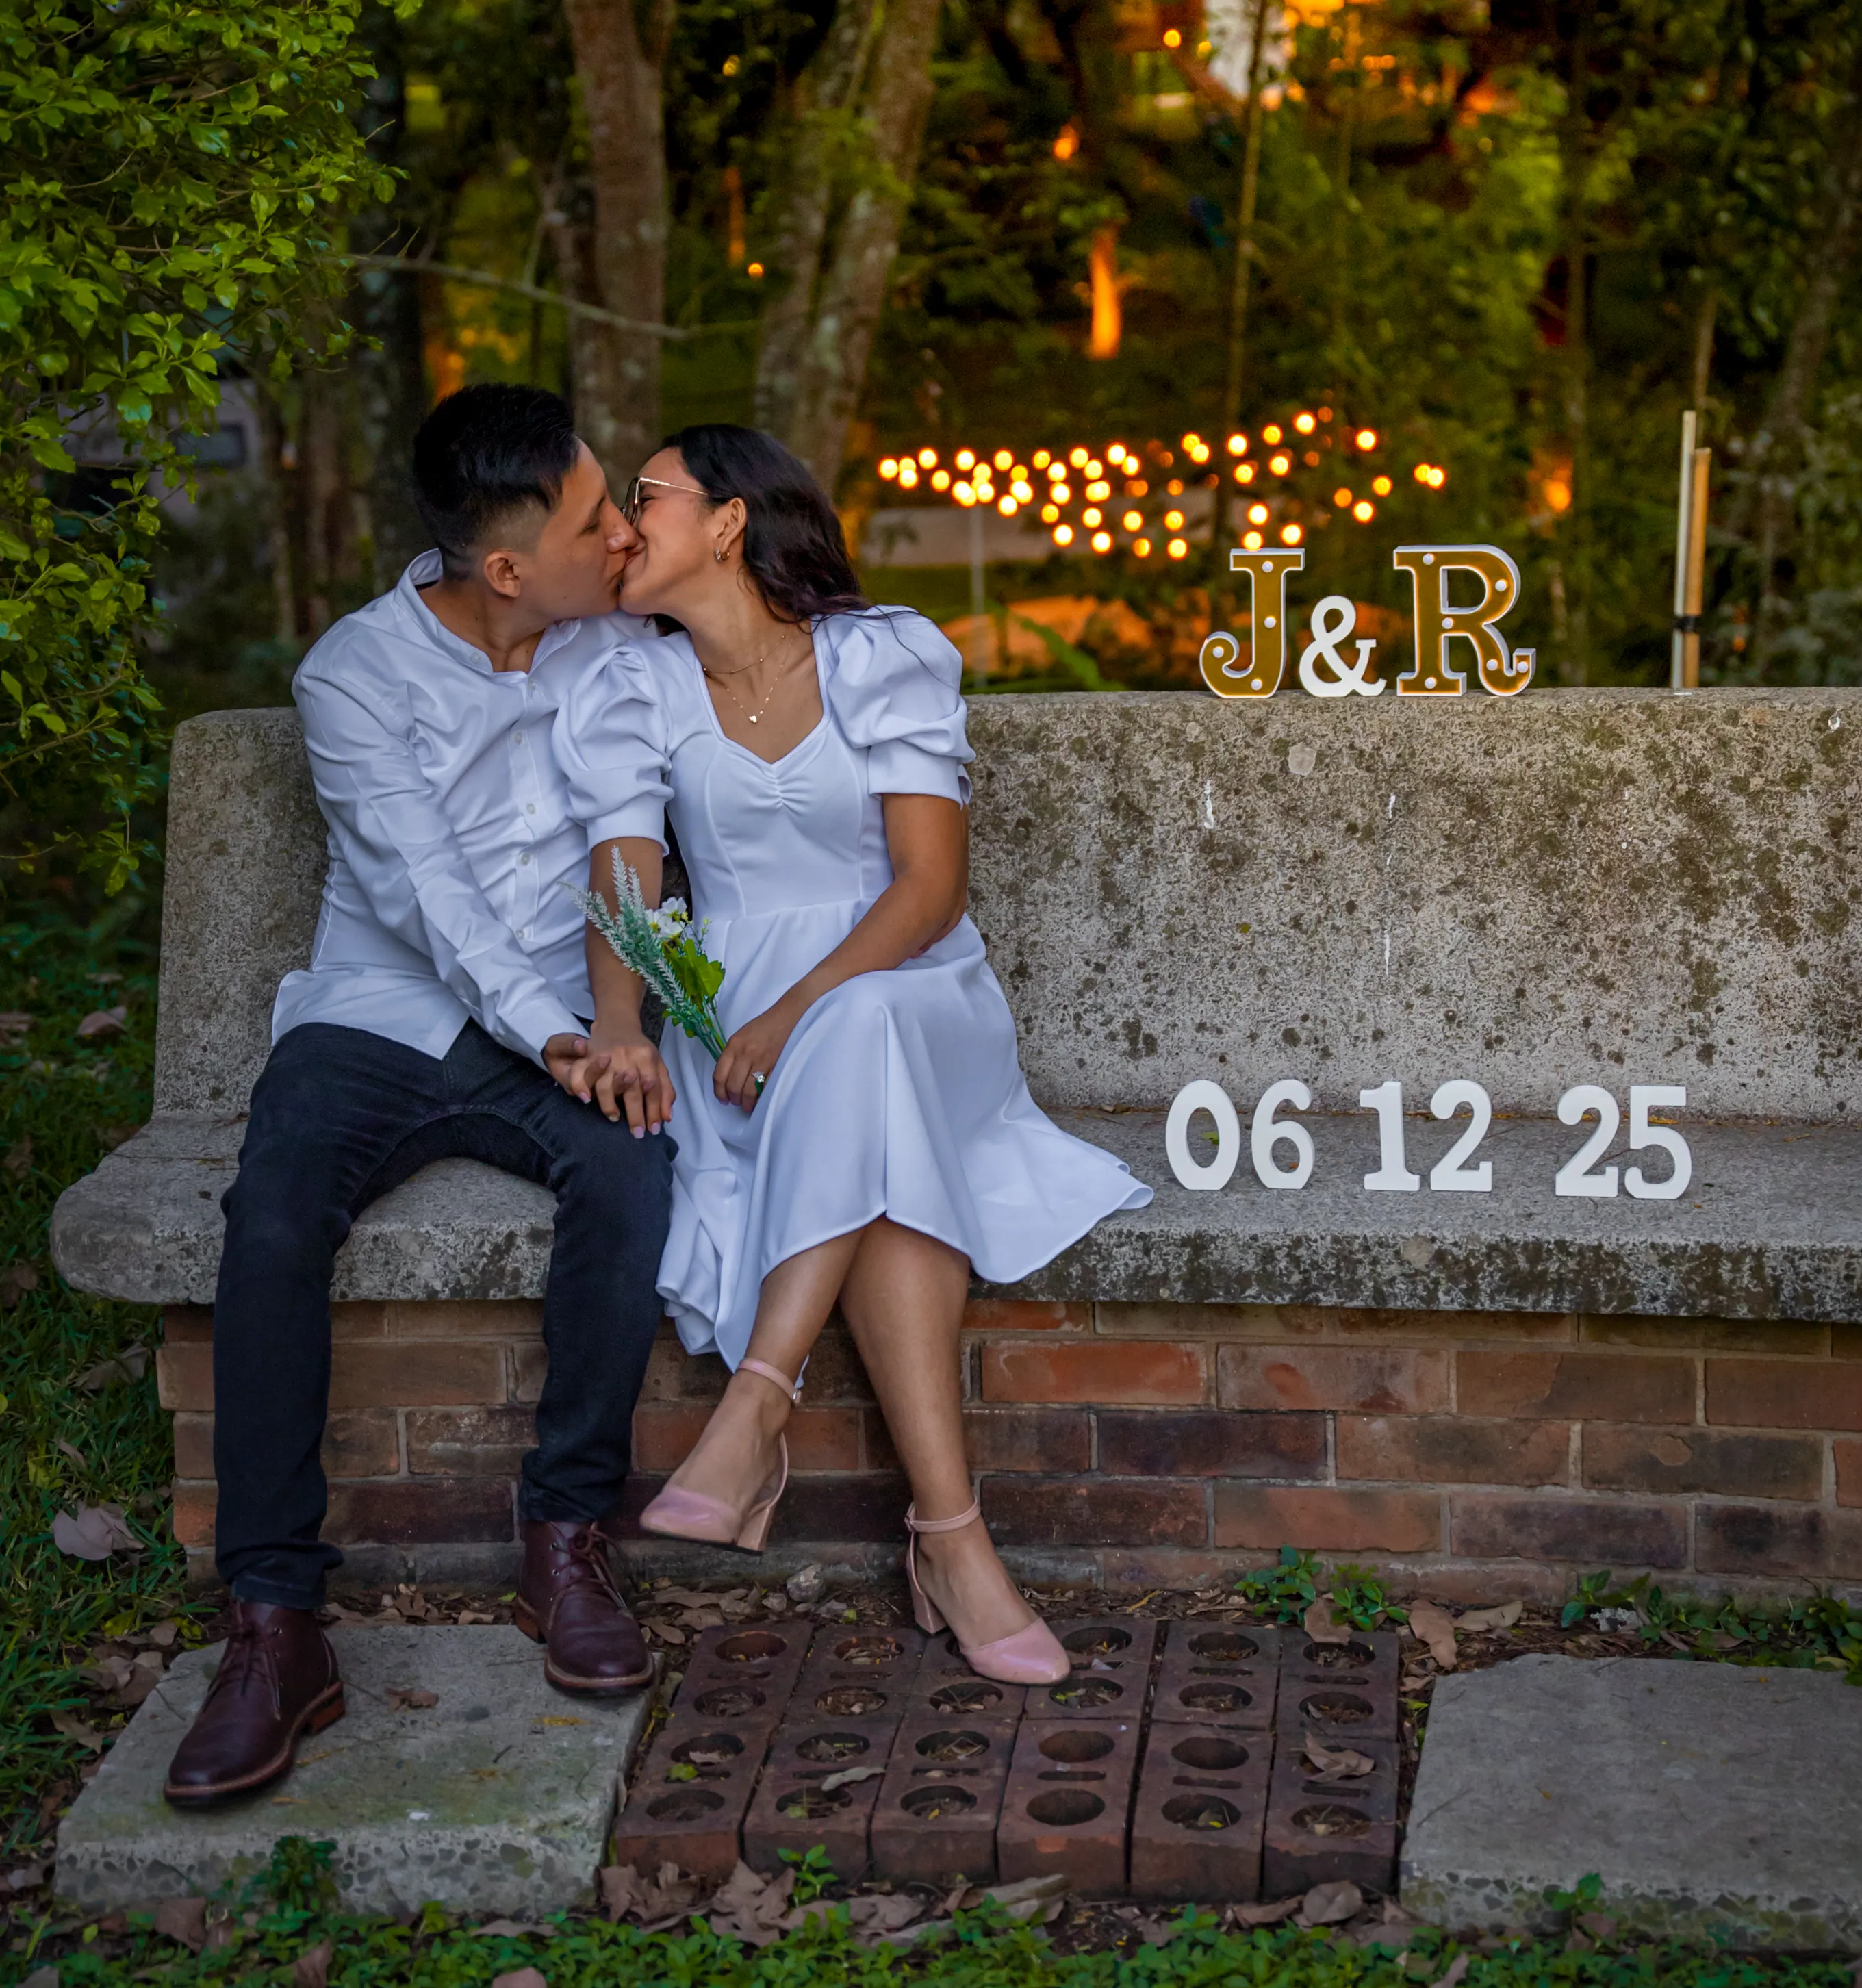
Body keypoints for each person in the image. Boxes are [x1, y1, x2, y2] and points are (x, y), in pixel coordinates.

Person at [550, 423, 1150, 1685]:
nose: (619, 529)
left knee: (862, 1033)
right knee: (881, 1180)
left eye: (643, 500)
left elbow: (930, 890)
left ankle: (758, 1403)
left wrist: (795, 1012)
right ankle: (950, 1537)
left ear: (724, 522)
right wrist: (620, 1027)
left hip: (912, 995)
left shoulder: (882, 657)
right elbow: (626, 884)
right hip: (740, 1053)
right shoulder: (630, 685)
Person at [164, 387, 678, 1809]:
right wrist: (549, 1035)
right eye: (594, 519)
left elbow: (626, 840)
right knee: (269, 1216)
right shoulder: (353, 673)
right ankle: (275, 1621)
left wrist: (612, 1029)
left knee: (635, 1167)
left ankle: (566, 1533)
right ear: (504, 565)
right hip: (378, 1017)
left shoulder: (612, 644)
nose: (622, 532)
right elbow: (423, 893)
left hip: (567, 1016)